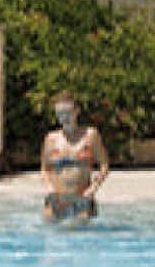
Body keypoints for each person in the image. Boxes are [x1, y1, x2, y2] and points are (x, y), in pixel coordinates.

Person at [41, 93, 109, 222]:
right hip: (57, 199)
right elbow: (44, 169)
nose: (64, 117)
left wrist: (93, 189)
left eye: (67, 112)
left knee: (81, 236)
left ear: (76, 111)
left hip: (82, 198)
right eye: (60, 113)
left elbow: (104, 166)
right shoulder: (51, 139)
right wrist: (49, 189)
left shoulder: (90, 135)